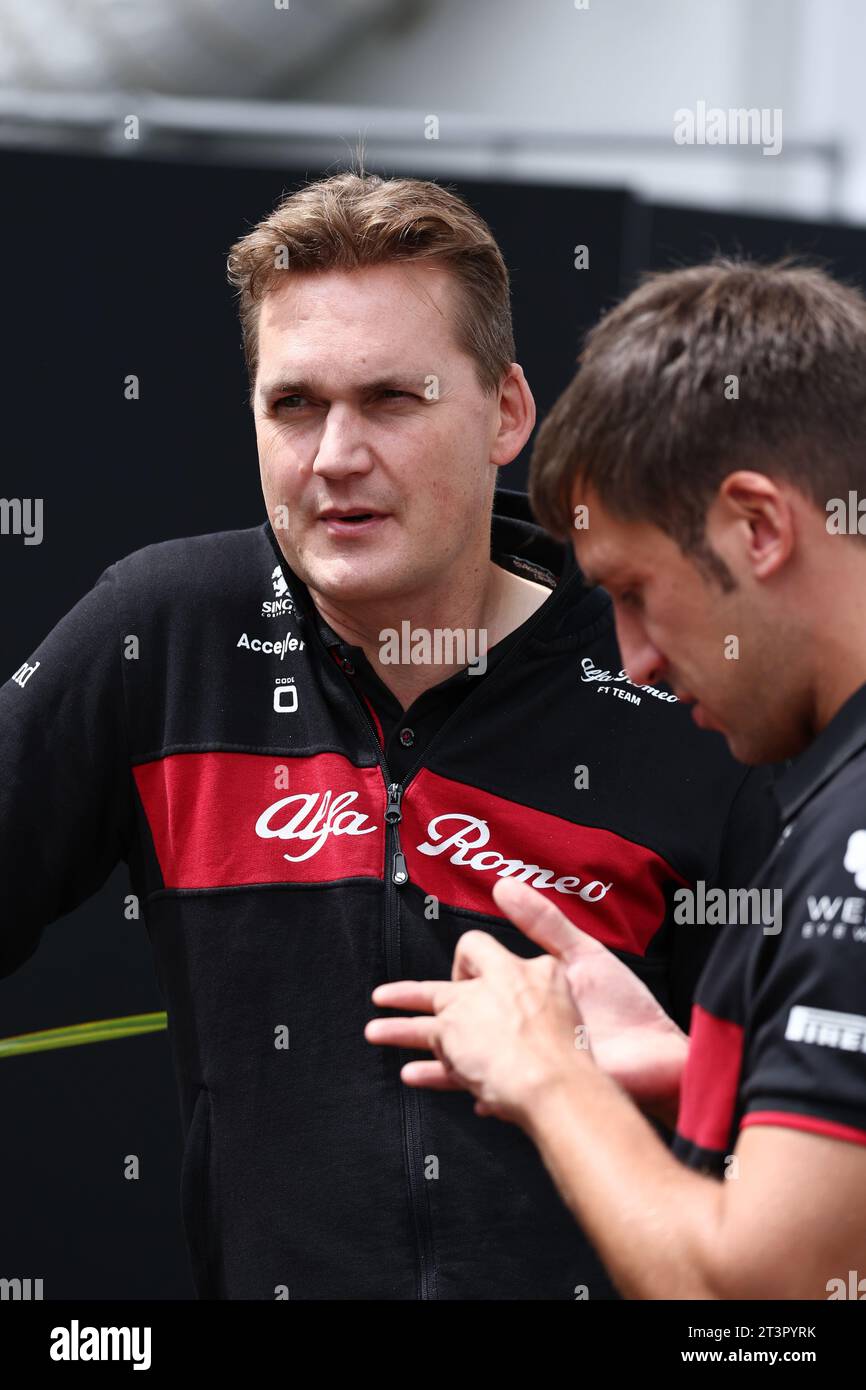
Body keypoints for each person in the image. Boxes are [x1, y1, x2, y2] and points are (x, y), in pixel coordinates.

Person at [0, 180, 775, 1300]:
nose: (333, 456)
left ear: (507, 412)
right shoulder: (165, 631)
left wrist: (690, 1083)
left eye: (391, 399)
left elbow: (812, 1153)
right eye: (293, 405)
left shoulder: (667, 674)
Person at [367, 258, 866, 1299]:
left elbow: (758, 1307)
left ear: (758, 527)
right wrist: (707, 1078)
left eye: (635, 592)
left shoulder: (850, 842)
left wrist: (544, 1074)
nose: (630, 657)